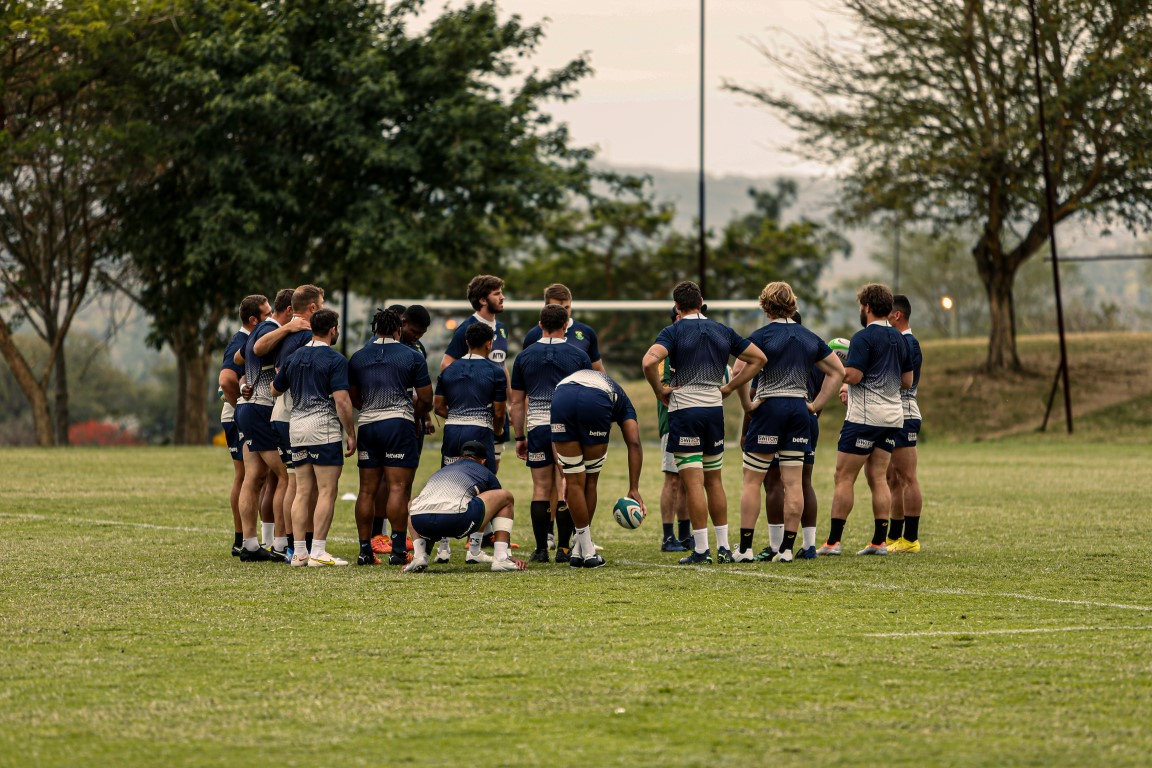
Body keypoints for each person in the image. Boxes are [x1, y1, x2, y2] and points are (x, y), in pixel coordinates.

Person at [643, 281, 766, 564]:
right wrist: (730, 387)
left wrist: (659, 390)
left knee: (693, 483)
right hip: (713, 409)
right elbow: (759, 358)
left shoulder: (672, 331)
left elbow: (648, 363)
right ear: (702, 303)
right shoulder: (721, 330)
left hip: (685, 410)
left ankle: (701, 549)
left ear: (677, 307)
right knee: (714, 480)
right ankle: (723, 547)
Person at [733, 283, 844, 563]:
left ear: (765, 304)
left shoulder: (761, 336)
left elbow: (737, 371)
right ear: (793, 303)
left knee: (752, 479)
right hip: (798, 410)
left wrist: (748, 405)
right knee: (794, 482)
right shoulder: (809, 337)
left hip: (769, 407)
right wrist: (815, 406)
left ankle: (745, 549)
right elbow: (838, 371)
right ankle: (786, 550)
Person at [818, 283, 913, 556]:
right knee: (878, 477)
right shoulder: (900, 339)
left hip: (864, 417)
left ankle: (834, 542)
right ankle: (879, 541)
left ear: (867, 307)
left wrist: (836, 366)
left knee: (844, 476)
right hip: (893, 417)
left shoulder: (863, 337)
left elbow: (855, 376)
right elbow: (907, 381)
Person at [521, 283, 606, 552]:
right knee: (553, 483)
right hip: (547, 420)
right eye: (559, 309)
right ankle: (548, 539)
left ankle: (568, 542)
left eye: (567, 308)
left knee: (563, 482)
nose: (564, 314)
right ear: (546, 307)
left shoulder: (585, 334)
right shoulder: (532, 337)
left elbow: (598, 376)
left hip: (570, 419)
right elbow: (526, 384)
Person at [271, 308, 356, 567]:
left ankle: (299, 553)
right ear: (333, 329)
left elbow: (275, 389)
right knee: (327, 491)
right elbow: (342, 400)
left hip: (296, 428)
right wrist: (351, 433)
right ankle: (318, 551)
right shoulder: (335, 359)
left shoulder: (294, 357)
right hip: (323, 429)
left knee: (302, 491)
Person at [348, 307, 433, 565]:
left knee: (367, 490)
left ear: (375, 329)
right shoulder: (411, 356)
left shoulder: (358, 357)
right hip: (398, 423)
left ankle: (365, 550)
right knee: (398, 487)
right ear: (399, 328)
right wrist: (414, 416)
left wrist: (369, 409)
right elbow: (427, 398)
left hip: (368, 425)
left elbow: (352, 395)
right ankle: (397, 551)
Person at [510, 303, 593, 562]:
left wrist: (520, 436)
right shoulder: (578, 355)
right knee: (566, 485)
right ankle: (564, 548)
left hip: (536, 427)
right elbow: (587, 394)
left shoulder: (524, 356)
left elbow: (516, 402)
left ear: (539, 325)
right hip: (566, 427)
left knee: (541, 488)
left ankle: (541, 549)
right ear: (566, 324)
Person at [233, 288, 310, 562]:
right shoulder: (268, 328)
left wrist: (244, 382)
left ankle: (250, 544)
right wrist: (288, 329)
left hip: (246, 407)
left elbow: (239, 358)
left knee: (253, 478)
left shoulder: (258, 329)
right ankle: (279, 544)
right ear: (289, 310)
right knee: (284, 476)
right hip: (260, 407)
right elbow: (257, 349)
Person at [550, 369, 645, 569]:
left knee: (575, 481)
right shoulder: (623, 400)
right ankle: (589, 554)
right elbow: (634, 442)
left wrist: (563, 473)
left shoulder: (572, 382)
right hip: (596, 399)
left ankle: (578, 550)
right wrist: (634, 488)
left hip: (560, 395)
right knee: (590, 481)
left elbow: (554, 440)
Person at [432, 321, 508, 563]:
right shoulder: (495, 371)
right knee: (484, 488)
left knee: (447, 484)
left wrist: (456, 416)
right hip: (480, 431)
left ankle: (443, 549)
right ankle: (474, 549)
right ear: (489, 343)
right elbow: (498, 412)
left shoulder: (449, 370)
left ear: (466, 342)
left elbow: (438, 406)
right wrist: (497, 431)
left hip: (453, 430)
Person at [403, 440, 526, 573]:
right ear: (483, 461)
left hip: (420, 523)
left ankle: (419, 556)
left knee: (414, 503)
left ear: (459, 458)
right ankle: (501, 558)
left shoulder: (442, 470)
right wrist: (507, 550)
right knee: (505, 497)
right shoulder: (485, 471)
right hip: (457, 520)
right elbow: (497, 507)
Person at [269, 284, 326, 557]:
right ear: (313, 308)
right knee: (298, 483)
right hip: (293, 413)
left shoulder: (288, 332)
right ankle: (296, 545)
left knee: (296, 481)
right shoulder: (303, 335)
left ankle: (293, 544)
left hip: (283, 412)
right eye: (322, 304)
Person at [441, 275, 510, 473]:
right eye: (497, 294)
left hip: (496, 408)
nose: (502, 297)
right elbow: (447, 365)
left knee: (492, 466)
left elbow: (502, 366)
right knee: (469, 468)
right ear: (482, 300)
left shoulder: (502, 328)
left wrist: (511, 403)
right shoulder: (466, 329)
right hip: (475, 413)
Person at [219, 294, 269, 556]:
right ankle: (241, 539)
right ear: (254, 319)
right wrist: (239, 406)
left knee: (254, 475)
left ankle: (246, 538)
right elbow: (226, 379)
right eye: (267, 313)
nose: (271, 317)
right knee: (245, 476)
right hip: (237, 416)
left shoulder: (254, 338)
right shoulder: (241, 341)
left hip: (244, 413)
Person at [885, 294, 924, 553]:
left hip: (905, 414)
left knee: (907, 477)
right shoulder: (898, 341)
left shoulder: (909, 343)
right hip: (890, 414)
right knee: (892, 478)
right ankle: (893, 537)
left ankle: (910, 540)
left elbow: (903, 381)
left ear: (897, 314)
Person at [655, 305, 690, 552]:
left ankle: (686, 535)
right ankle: (669, 536)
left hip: (694, 419)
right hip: (673, 419)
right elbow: (663, 385)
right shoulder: (667, 346)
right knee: (673, 479)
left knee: (690, 480)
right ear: (678, 317)